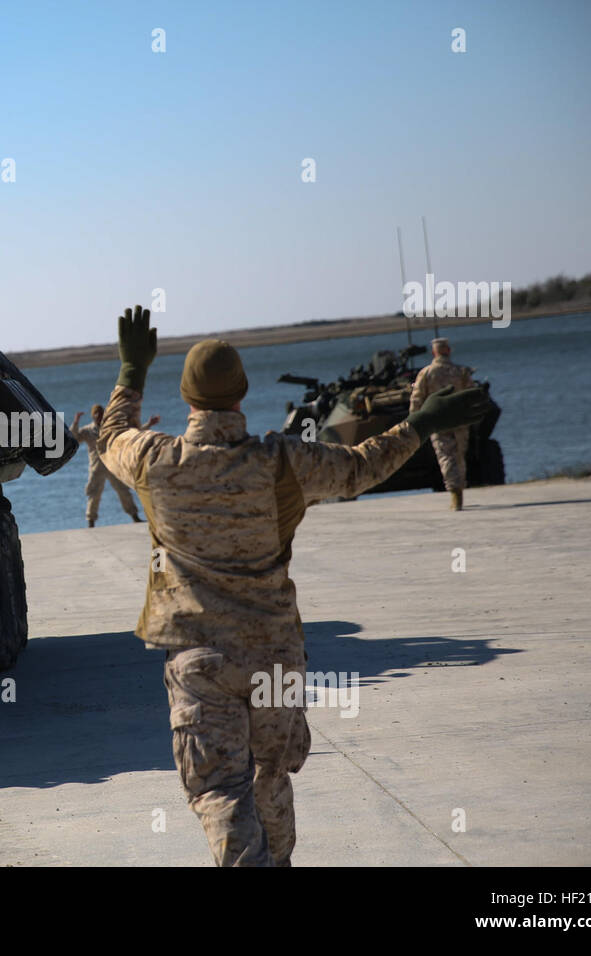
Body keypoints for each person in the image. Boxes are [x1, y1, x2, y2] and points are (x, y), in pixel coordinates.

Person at [96, 305, 490, 866]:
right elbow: (362, 467)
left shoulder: (156, 461)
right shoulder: (281, 459)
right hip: (276, 657)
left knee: (218, 789)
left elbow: (112, 434)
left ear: (187, 399)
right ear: (242, 395)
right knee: (270, 773)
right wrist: (421, 424)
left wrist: (131, 370)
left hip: (201, 661)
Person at [409, 337, 476, 510]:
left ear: (434, 352)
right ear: (448, 350)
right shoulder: (461, 371)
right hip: (460, 421)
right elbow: (472, 394)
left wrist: (414, 422)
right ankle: (458, 490)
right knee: (459, 456)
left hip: (438, 422)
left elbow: (417, 399)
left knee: (446, 456)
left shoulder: (427, 373)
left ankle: (455, 494)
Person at [70, 404, 158, 527]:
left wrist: (148, 424)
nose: (99, 417)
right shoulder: (88, 430)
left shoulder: (110, 429)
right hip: (97, 468)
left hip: (113, 465)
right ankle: (91, 521)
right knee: (94, 493)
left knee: (124, 490)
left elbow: (132, 434)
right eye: (96, 415)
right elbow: (74, 438)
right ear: (93, 416)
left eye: (101, 414)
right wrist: (76, 422)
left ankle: (134, 516)